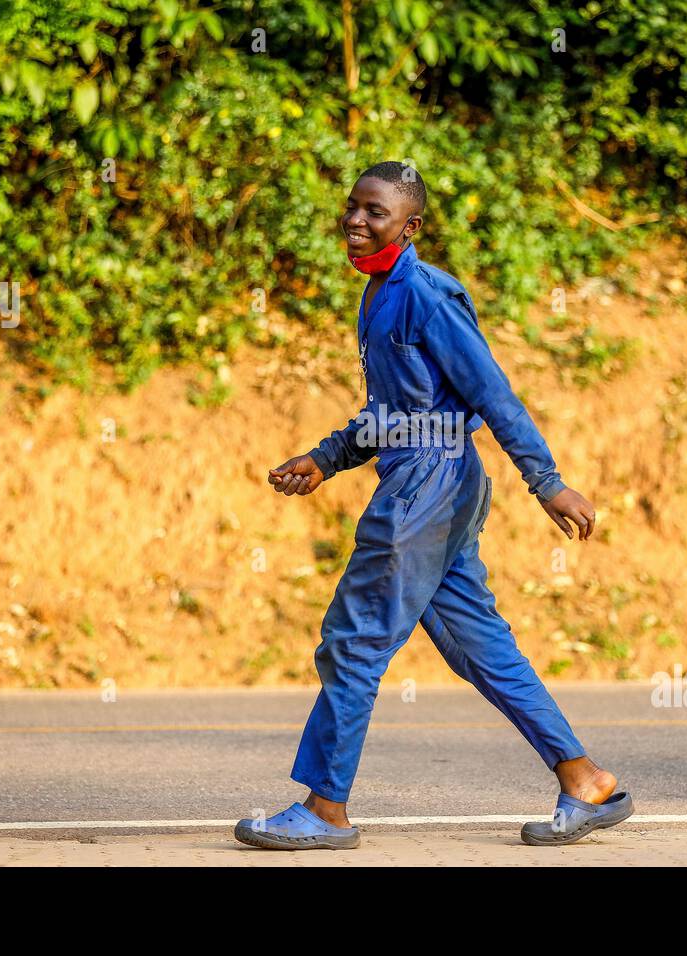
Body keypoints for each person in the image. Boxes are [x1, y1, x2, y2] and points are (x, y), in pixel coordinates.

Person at [234, 161, 633, 850]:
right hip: (430, 478)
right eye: (352, 206)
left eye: (375, 212)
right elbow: (392, 411)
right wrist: (325, 459)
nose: (356, 221)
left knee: (354, 642)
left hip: (431, 485)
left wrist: (548, 482)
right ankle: (585, 779)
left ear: (410, 226)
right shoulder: (380, 292)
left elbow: (493, 394)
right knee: (479, 645)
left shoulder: (425, 295)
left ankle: (324, 810)